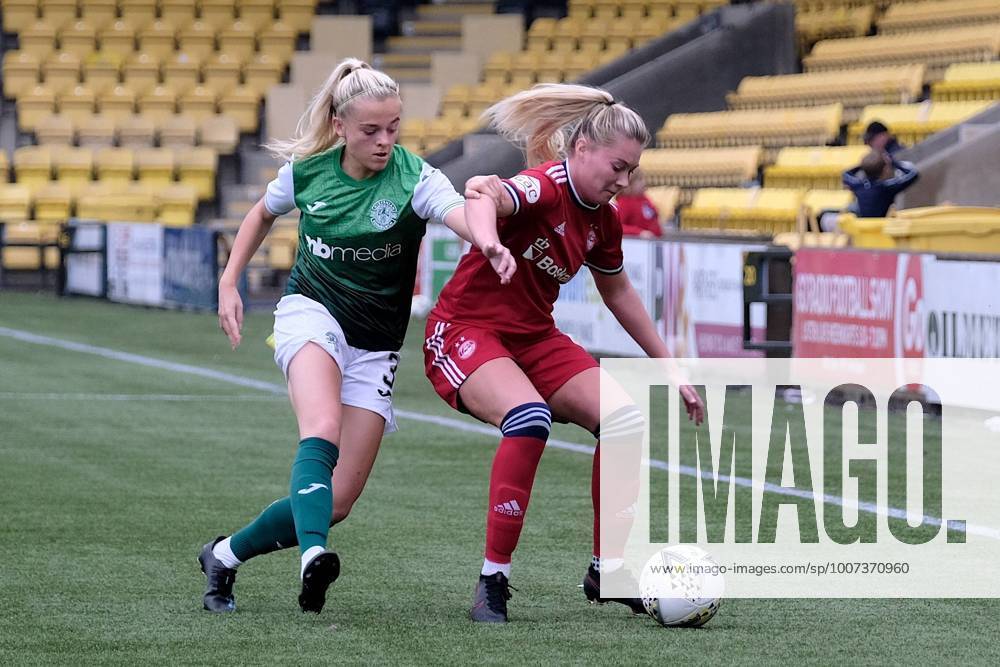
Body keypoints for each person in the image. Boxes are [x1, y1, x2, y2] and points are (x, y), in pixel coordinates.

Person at [200, 57, 514, 615]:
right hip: (310, 313)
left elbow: (458, 212)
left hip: (375, 345)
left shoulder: (414, 177)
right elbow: (259, 215)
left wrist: (487, 241)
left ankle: (223, 555)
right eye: (371, 130)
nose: (385, 140)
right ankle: (313, 557)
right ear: (341, 126)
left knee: (337, 499)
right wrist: (230, 281)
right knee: (320, 427)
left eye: (394, 128)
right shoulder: (308, 172)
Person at [423, 83, 705, 623]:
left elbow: (618, 290)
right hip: (466, 329)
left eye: (631, 171)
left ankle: (607, 571)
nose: (623, 182)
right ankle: (492, 579)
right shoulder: (545, 186)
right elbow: (484, 196)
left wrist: (670, 368)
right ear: (581, 151)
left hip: (532, 336)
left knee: (624, 420)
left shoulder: (603, 217)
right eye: (617, 167)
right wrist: (488, 243)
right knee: (528, 420)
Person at [842, 149, 919, 218]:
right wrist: (893, 162)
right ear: (885, 169)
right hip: (880, 229)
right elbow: (913, 173)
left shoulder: (859, 186)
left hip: (862, 228)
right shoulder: (886, 188)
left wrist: (863, 165)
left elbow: (846, 174)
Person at [614, 167, 662, 239]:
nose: (644, 183)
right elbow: (617, 227)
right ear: (628, 185)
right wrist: (639, 232)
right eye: (640, 180)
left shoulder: (645, 199)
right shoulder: (625, 202)